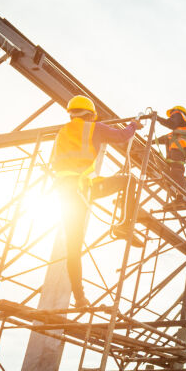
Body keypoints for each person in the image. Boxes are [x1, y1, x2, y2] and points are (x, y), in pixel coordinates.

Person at [50, 95, 143, 308]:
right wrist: (134, 125)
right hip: (85, 187)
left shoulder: (62, 132)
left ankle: (80, 299)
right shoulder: (94, 128)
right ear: (90, 114)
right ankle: (124, 225)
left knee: (73, 247)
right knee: (129, 181)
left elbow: (54, 160)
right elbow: (121, 136)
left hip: (65, 192)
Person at [155, 105, 186, 207]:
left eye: (172, 114)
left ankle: (180, 198)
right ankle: (179, 197)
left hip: (178, 149)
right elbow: (166, 138)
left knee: (176, 171)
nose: (171, 116)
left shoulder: (178, 115)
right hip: (180, 150)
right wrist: (151, 141)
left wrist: (157, 118)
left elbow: (170, 123)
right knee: (175, 172)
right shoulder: (180, 130)